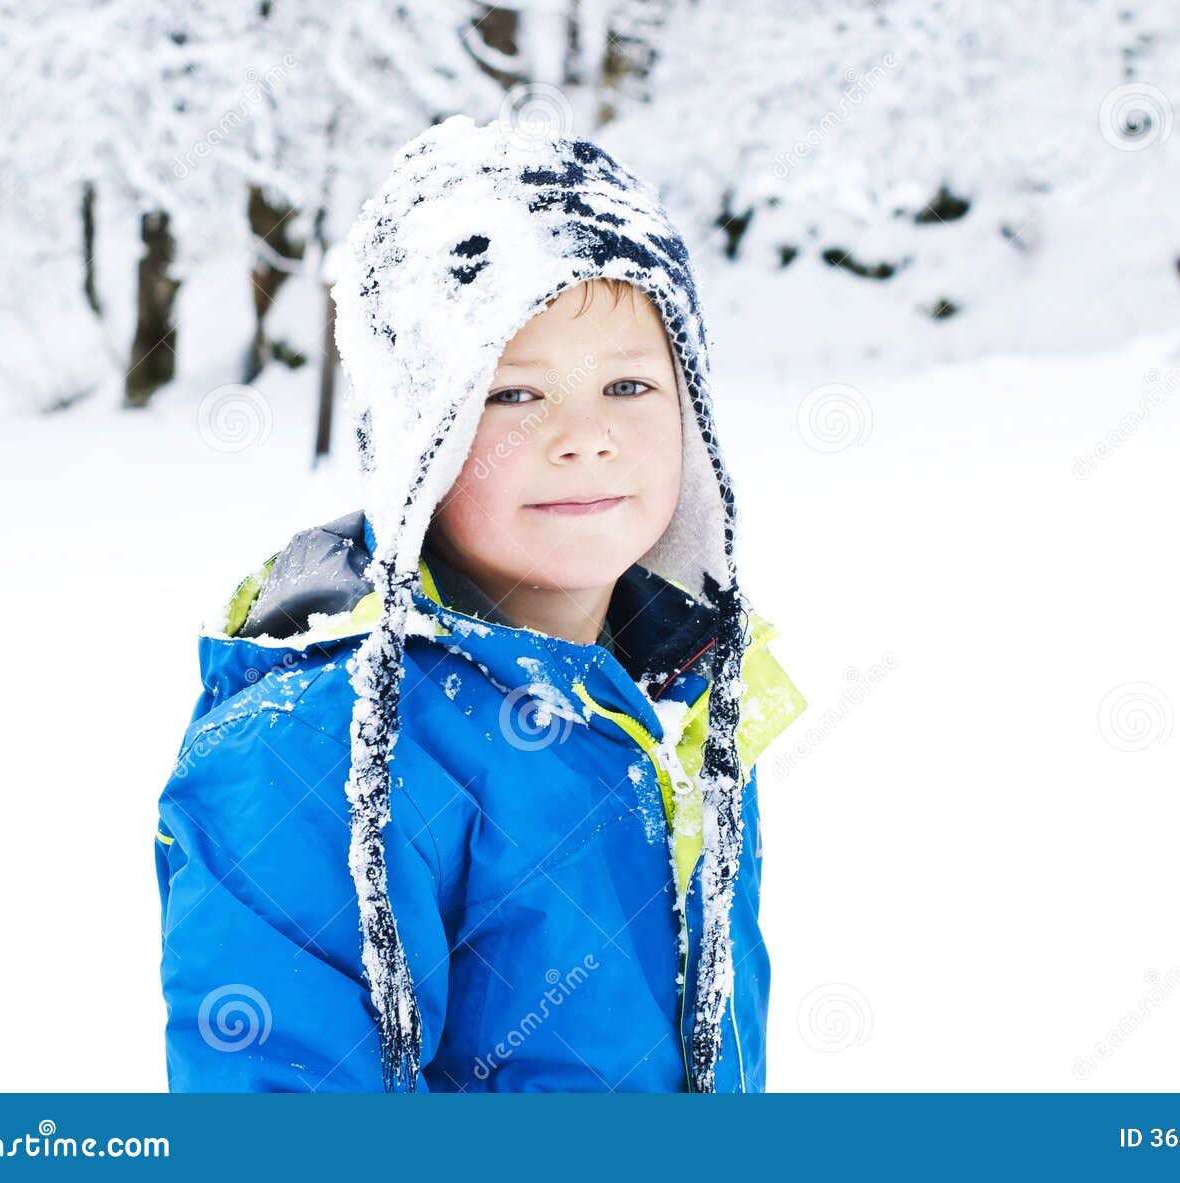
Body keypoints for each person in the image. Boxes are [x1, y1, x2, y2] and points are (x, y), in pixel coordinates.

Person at [154, 115, 806, 1093]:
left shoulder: (675, 707)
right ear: (421, 428)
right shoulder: (313, 750)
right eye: (512, 394)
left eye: (628, 384)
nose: (584, 437)